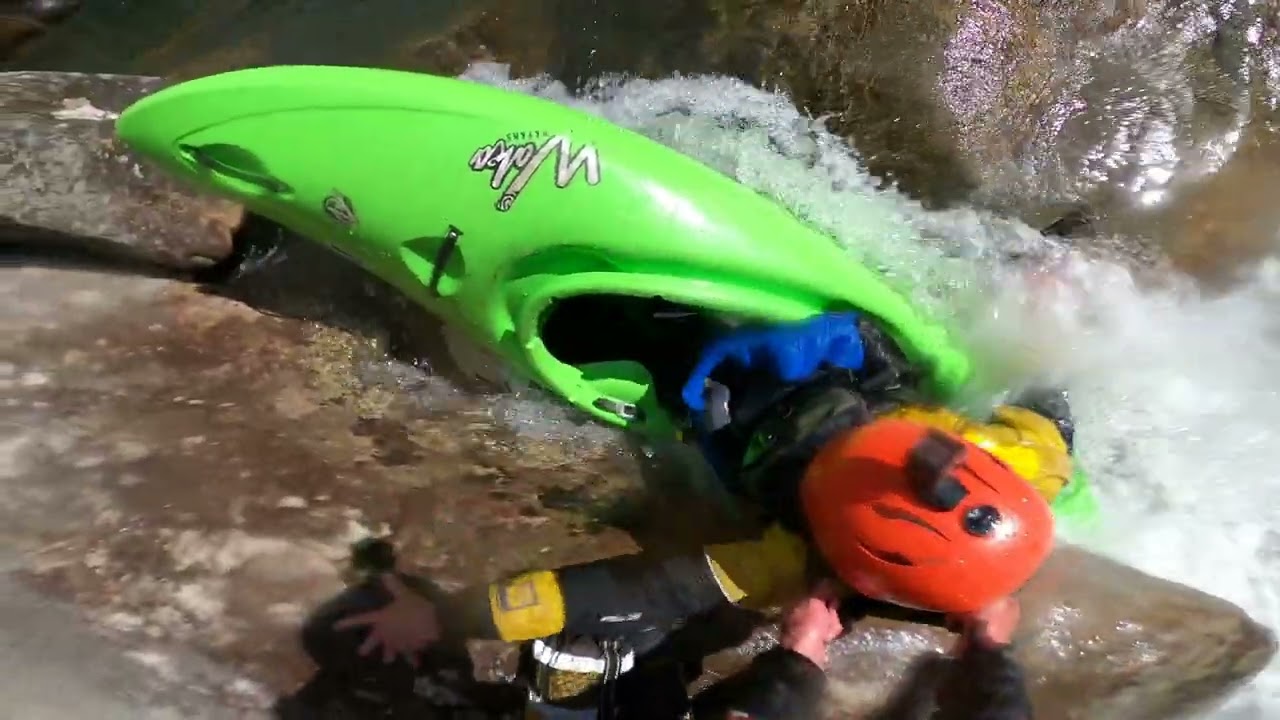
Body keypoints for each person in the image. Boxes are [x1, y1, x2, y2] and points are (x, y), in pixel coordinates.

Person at [319, 308, 1073, 718]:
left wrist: (451, 619)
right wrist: (989, 654)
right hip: (910, 434)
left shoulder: (781, 563)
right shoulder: (1010, 458)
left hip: (793, 450)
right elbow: (1046, 431)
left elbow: (625, 591)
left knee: (614, 640)